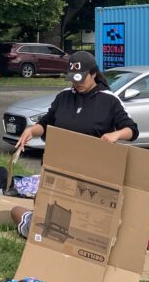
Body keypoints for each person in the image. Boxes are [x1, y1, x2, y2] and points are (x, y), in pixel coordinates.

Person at [11, 50, 140, 239]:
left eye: (81, 79)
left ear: (93, 73)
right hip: (60, 168)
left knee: (81, 219)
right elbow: (45, 123)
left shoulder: (109, 100)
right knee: (48, 210)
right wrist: (32, 131)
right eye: (73, 79)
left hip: (92, 173)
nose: (76, 83)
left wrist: (116, 134)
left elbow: (132, 130)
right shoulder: (63, 97)